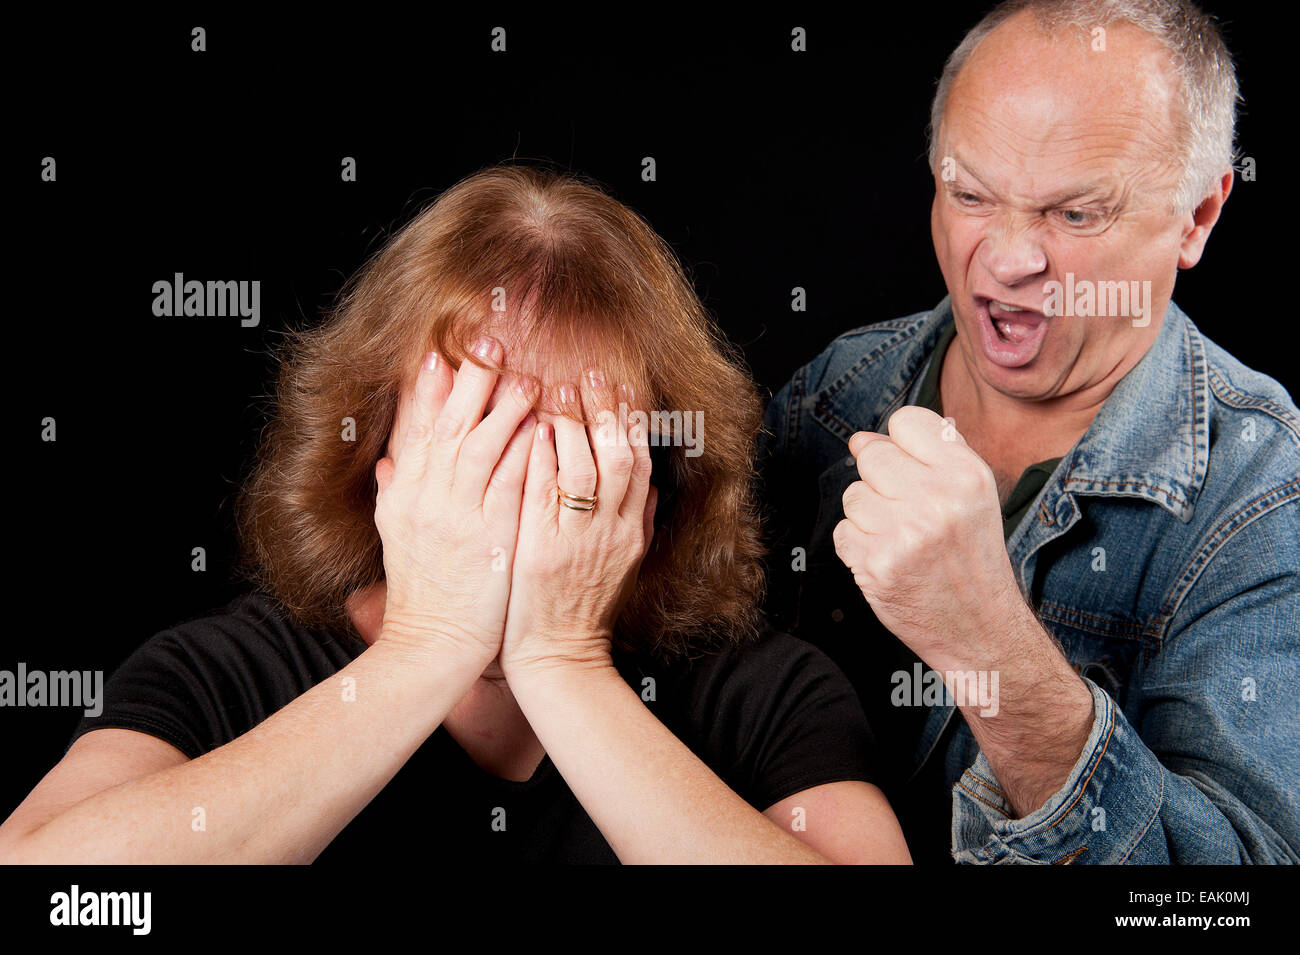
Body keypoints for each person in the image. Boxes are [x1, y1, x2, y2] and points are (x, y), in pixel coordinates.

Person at [0, 165, 911, 864]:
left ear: (660, 474)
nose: (522, 489)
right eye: (478, 427)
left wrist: (563, 664)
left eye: (574, 439)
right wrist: (428, 645)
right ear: (377, 451)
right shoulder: (224, 672)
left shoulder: (764, 695)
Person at [759, 0, 1299, 864]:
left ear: (1197, 216)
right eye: (971, 194)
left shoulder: (1264, 488)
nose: (1008, 259)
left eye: (1075, 215)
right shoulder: (834, 390)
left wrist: (987, 640)